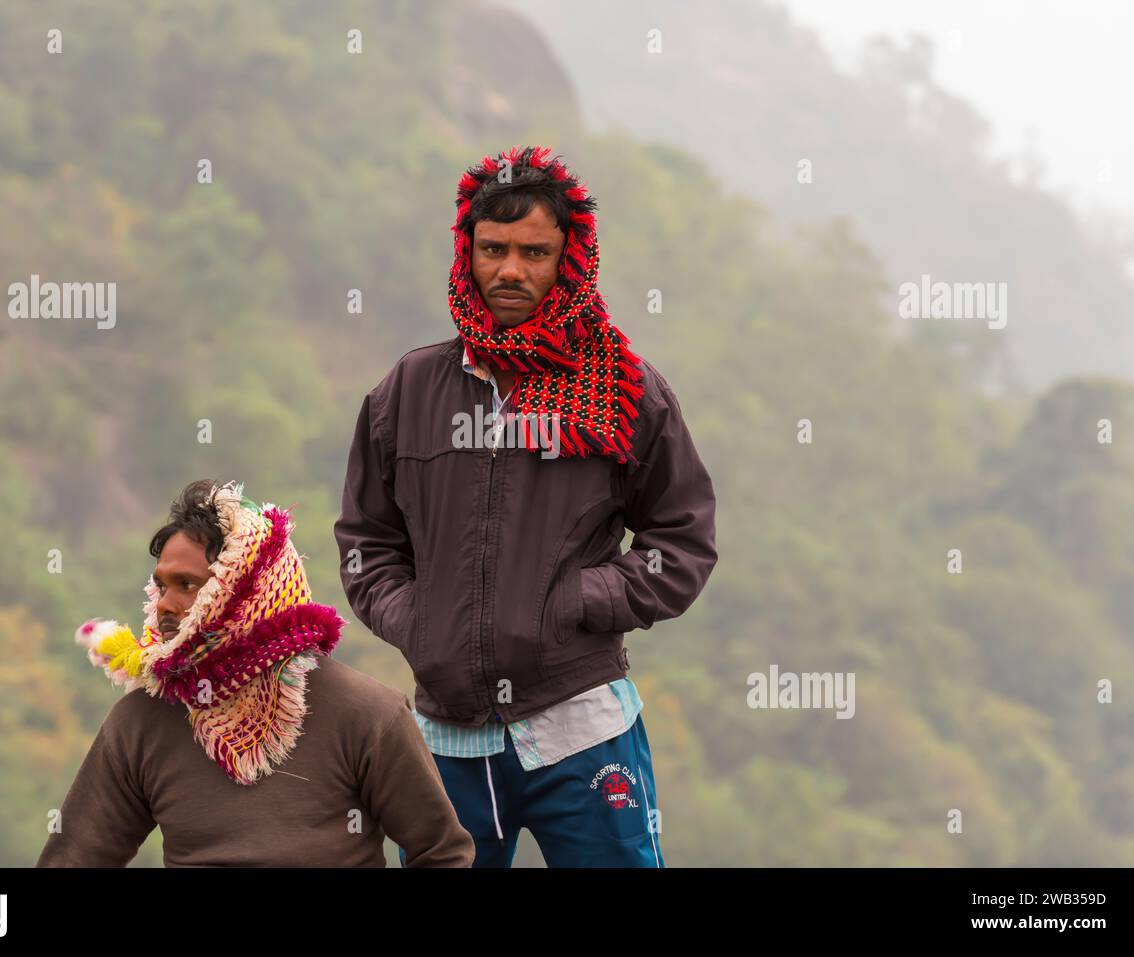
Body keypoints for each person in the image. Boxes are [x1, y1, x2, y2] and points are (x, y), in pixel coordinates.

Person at [334, 146, 717, 867]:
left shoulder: (626, 391)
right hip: (445, 741)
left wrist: (584, 598)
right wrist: (417, 619)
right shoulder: (407, 393)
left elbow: (683, 541)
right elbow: (366, 540)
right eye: (493, 249)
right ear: (466, 252)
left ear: (570, 259)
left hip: (583, 727)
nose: (510, 270)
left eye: (535, 252)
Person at [38, 479, 473, 867]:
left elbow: (442, 853)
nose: (165, 605)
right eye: (162, 586)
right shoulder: (140, 722)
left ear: (246, 590)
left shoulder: (368, 714)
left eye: (187, 586)